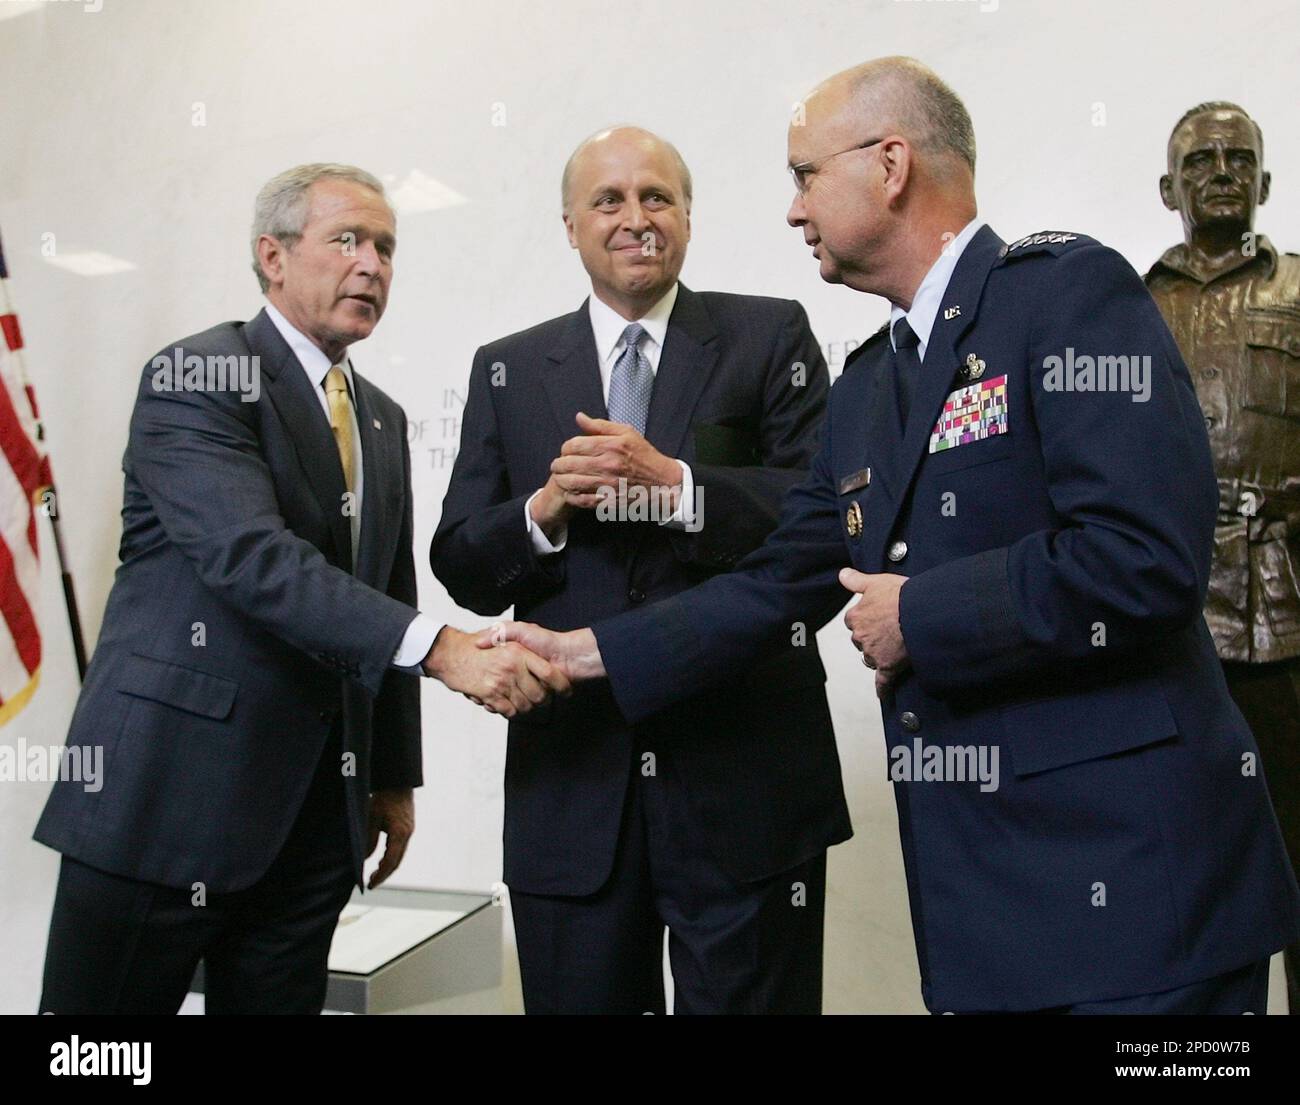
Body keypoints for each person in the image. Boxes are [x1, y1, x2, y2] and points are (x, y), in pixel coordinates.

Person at [487, 61, 1300, 1013]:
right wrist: (586, 652)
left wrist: (924, 612)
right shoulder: (872, 382)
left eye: (804, 176)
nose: (793, 211)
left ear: (891, 165)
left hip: (1143, 909)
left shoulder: (1068, 293)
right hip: (991, 917)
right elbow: (776, 580)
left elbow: (1145, 559)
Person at [35, 163, 566, 1015]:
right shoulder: (199, 376)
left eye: (387, 248)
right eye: (347, 240)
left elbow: (383, 582)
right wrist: (443, 648)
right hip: (162, 802)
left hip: (314, 825)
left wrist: (392, 776)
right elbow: (255, 558)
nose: (372, 265)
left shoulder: (384, 416)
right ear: (272, 256)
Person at [431, 127, 849, 1014]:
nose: (636, 218)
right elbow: (460, 561)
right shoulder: (506, 368)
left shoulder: (771, 333)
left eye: (657, 196)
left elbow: (826, 519)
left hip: (746, 783)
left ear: (689, 215)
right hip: (572, 792)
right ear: (571, 226)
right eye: (609, 201)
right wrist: (540, 512)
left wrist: (682, 485)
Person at [1145, 101, 1300, 1013]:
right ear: (1168, 188)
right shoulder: (1126, 304)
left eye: (1239, 158)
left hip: (1291, 625)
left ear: (1267, 183)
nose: (1220, 172)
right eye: (1199, 159)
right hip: (1168, 627)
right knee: (1191, 884)